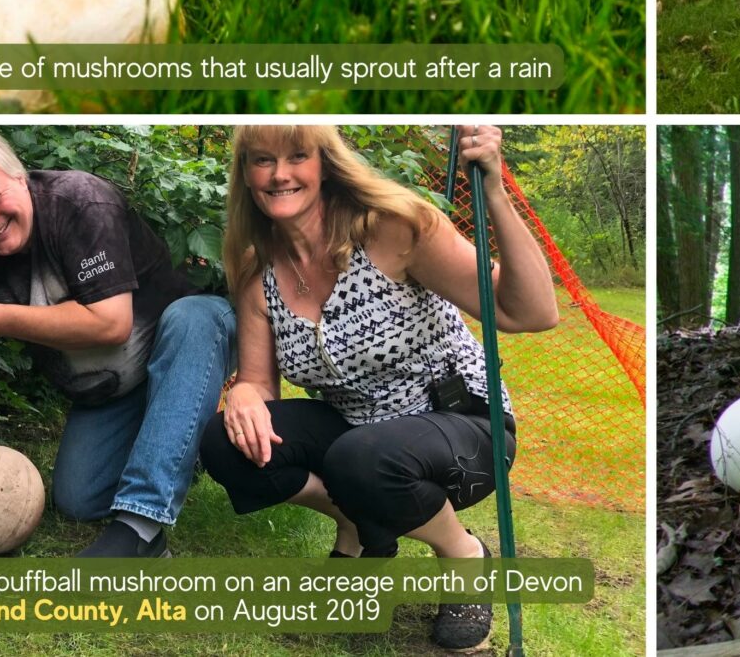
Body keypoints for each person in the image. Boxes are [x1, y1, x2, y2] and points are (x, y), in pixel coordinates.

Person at [197, 124, 558, 650]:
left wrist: (496, 193)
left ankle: (463, 555)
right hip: (355, 433)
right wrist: (245, 395)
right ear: (245, 176)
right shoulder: (259, 269)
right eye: (261, 160)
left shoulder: (393, 229)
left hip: (462, 424)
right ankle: (364, 527)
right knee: (224, 443)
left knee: (359, 457)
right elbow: (257, 381)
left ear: (325, 163)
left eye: (297, 155)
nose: (279, 174)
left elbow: (530, 312)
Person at [0, 128, 236, 559]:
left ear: (18, 177)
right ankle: (177, 440)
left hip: (184, 346)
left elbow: (111, 324)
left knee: (196, 315)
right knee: (78, 499)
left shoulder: (81, 203)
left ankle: (141, 531)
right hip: (112, 394)